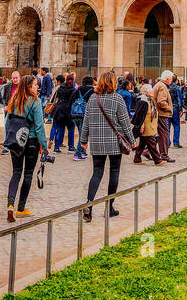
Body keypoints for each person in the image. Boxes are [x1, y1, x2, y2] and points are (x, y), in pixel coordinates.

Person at [78, 70, 135, 221]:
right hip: (114, 142)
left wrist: (83, 141)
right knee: (114, 172)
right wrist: (132, 140)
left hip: (97, 142)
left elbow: (86, 122)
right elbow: (125, 122)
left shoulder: (92, 98)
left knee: (97, 173)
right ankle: (109, 207)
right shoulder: (117, 98)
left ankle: (89, 205)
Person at [3, 73, 50, 221]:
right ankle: (21, 208)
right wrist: (45, 145)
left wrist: (7, 139)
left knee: (16, 172)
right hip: (31, 141)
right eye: (36, 85)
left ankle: (10, 205)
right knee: (28, 174)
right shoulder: (34, 101)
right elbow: (39, 126)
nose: (37, 87)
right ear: (29, 86)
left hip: (16, 140)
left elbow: (7, 123)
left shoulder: (14, 100)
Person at [131, 84, 163, 165]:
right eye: (151, 90)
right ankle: (157, 160)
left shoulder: (149, 100)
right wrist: (141, 126)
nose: (152, 91)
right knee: (152, 144)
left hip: (150, 125)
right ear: (147, 92)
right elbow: (140, 115)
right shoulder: (143, 101)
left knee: (142, 144)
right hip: (146, 126)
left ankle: (137, 159)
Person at [49, 73, 76, 153]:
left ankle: (56, 148)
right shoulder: (72, 89)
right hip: (68, 111)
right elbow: (73, 101)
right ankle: (71, 147)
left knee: (60, 129)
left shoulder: (61, 87)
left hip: (59, 110)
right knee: (71, 129)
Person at [154, 70, 177, 161]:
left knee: (157, 134)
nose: (171, 80)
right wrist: (170, 108)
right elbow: (161, 101)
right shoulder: (162, 86)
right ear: (167, 79)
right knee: (164, 134)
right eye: (170, 78)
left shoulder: (159, 84)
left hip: (158, 113)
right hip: (162, 114)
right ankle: (164, 154)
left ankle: (147, 151)